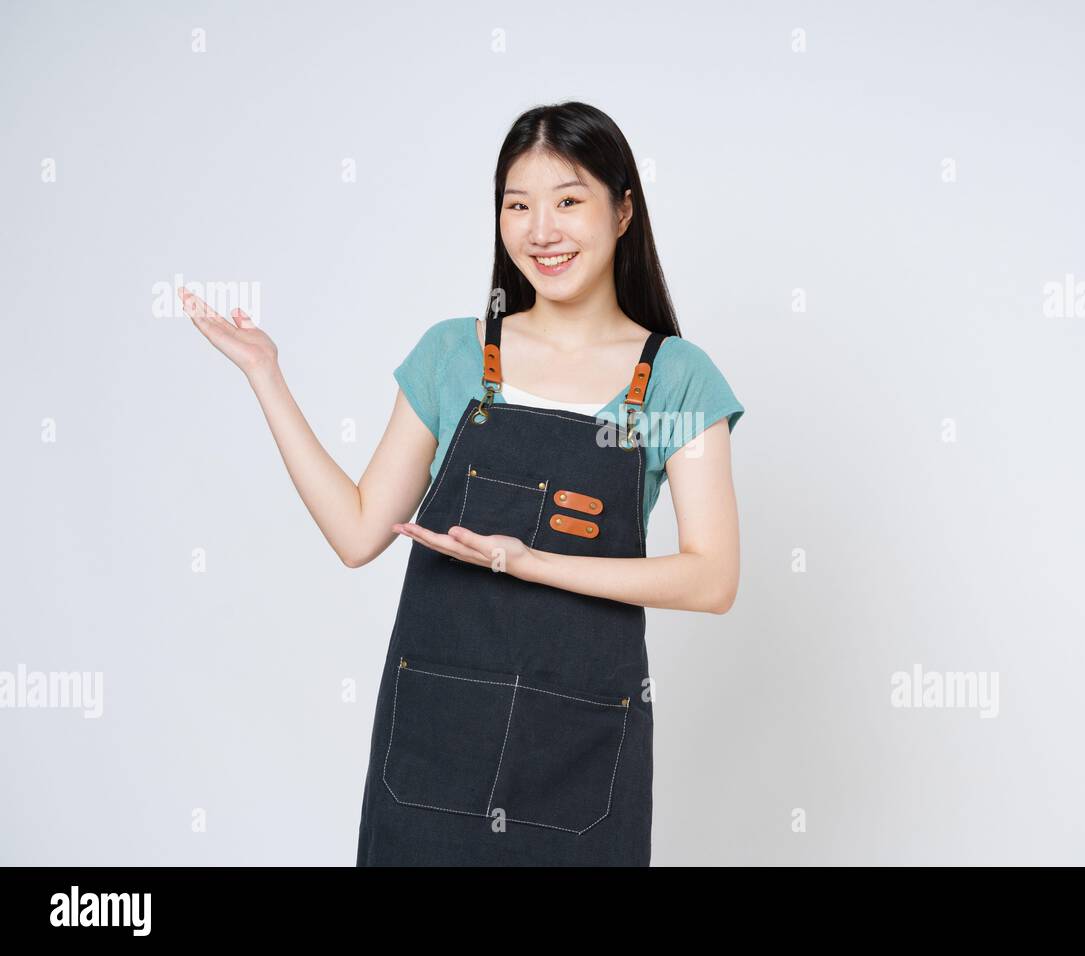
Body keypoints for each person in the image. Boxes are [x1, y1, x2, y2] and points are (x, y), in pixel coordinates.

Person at [181, 101, 744, 866]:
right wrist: (265, 373)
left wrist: (531, 560)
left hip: (582, 750)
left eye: (568, 201)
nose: (540, 230)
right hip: (434, 743)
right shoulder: (454, 356)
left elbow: (711, 578)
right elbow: (356, 533)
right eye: (518, 205)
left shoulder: (675, 382)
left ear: (622, 213)